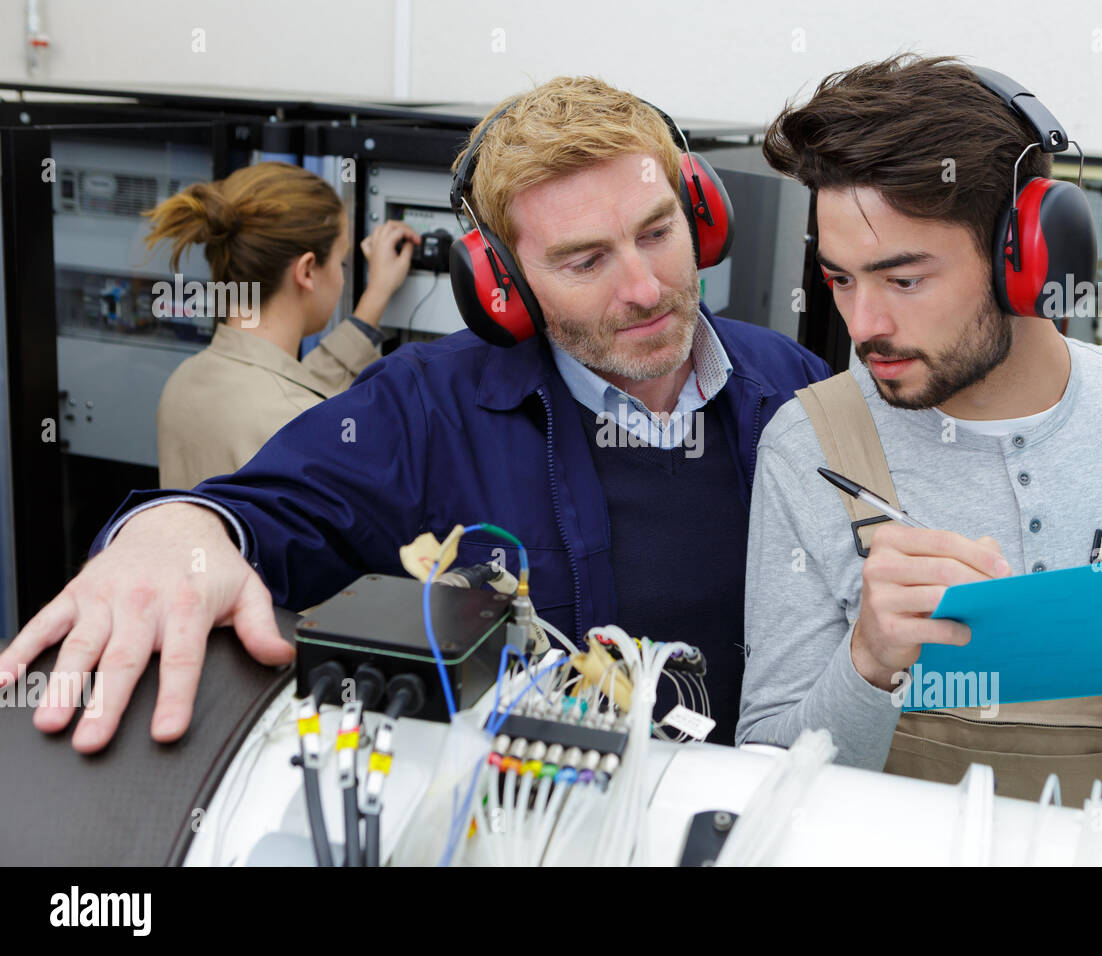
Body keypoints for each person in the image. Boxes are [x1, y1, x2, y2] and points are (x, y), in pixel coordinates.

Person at [0, 76, 830, 754]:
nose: (646, 288)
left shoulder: (787, 382)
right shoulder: (423, 407)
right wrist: (173, 535)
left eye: (658, 233)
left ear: (702, 214)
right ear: (502, 285)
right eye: (585, 260)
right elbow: (271, 508)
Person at [737, 54, 1102, 818]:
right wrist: (867, 662)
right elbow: (768, 762)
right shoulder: (808, 445)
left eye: (903, 280)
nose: (863, 325)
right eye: (840, 279)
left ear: (1030, 258)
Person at [148, 161, 420, 488]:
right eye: (341, 261)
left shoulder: (182, 383)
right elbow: (294, 405)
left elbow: (290, 384)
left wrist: (376, 295)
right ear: (307, 271)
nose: (342, 274)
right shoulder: (302, 427)